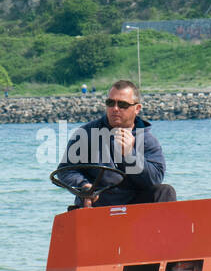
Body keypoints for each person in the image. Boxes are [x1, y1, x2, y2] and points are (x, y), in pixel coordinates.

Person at [56, 79, 175, 208]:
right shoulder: (87, 133)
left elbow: (155, 179)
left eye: (122, 105)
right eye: (110, 103)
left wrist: (130, 156)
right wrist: (84, 186)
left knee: (165, 191)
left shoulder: (147, 140)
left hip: (135, 207)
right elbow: (65, 171)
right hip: (97, 204)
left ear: (137, 108)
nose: (115, 109)